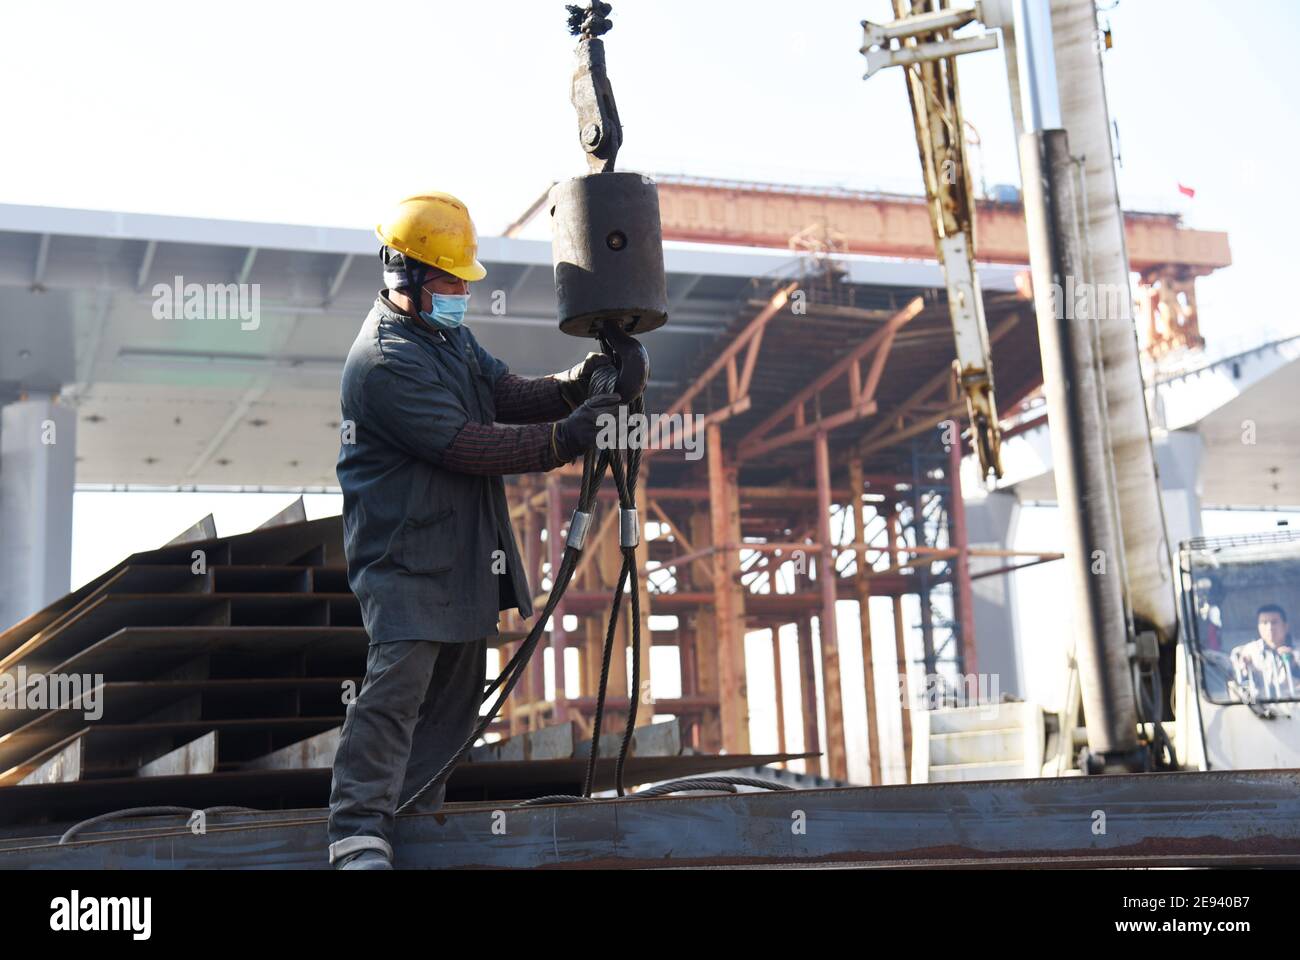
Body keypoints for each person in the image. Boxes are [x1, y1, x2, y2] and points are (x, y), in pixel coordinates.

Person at [326, 192, 621, 869]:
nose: (462, 291)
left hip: (462, 553)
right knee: (396, 693)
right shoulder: (384, 361)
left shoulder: (446, 337)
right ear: (406, 275)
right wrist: (566, 438)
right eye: (451, 279)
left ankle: (414, 819)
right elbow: (467, 443)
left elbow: (505, 393)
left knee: (454, 704)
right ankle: (356, 833)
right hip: (404, 557)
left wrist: (580, 383)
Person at [1230, 604, 1298, 701]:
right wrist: (1244, 674)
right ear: (1258, 627)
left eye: (1274, 622)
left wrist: (1293, 665)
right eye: (1264, 623)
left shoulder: (1297, 651)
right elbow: (1245, 697)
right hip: (1261, 713)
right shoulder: (1247, 652)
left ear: (1285, 626)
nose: (1270, 627)